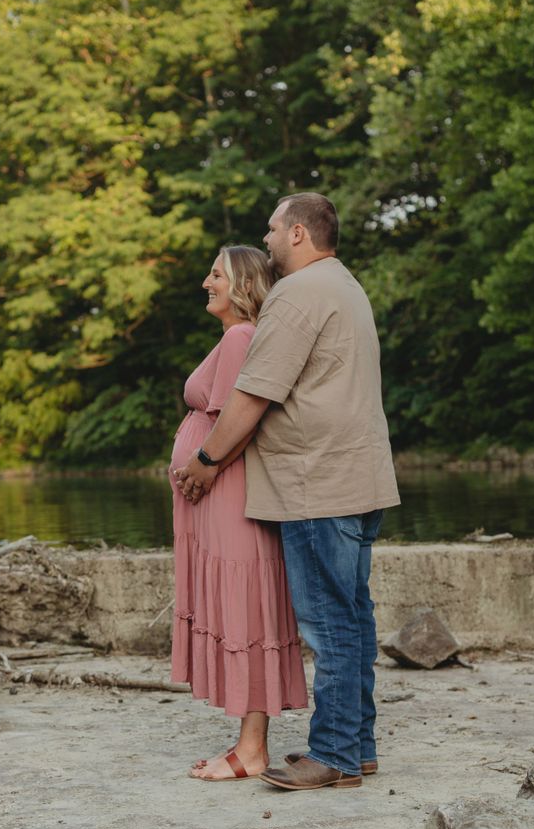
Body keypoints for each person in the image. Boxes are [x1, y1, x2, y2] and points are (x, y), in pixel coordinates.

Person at [175, 193, 399, 791]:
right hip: (356, 478)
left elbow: (253, 395)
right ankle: (358, 745)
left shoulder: (298, 296)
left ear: (298, 233)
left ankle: (334, 756)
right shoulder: (344, 285)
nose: (267, 239)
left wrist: (205, 460)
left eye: (273, 229)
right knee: (352, 618)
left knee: (330, 625)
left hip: (316, 484)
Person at [170, 245, 308, 781]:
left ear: (243, 284)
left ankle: (252, 749)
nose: (206, 282)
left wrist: (202, 466)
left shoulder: (240, 337)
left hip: (226, 495)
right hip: (218, 495)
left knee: (245, 609)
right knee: (242, 608)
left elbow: (238, 417)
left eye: (216, 274)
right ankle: (249, 743)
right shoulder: (237, 338)